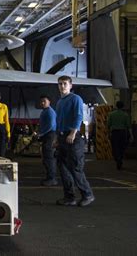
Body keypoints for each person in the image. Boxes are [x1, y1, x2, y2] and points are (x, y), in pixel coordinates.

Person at [55, 75, 95, 207]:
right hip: (62, 137)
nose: (62, 86)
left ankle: (87, 195)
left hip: (73, 137)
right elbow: (59, 121)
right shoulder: (60, 102)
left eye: (65, 83)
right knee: (63, 168)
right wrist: (57, 138)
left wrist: (73, 132)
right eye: (60, 84)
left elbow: (79, 116)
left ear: (71, 85)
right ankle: (69, 197)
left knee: (75, 168)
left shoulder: (75, 99)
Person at [37, 95, 57, 186]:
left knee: (49, 158)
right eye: (41, 101)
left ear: (49, 102)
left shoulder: (50, 112)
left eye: (44, 101)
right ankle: (49, 177)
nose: (42, 103)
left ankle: (52, 179)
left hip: (50, 135)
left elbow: (50, 125)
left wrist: (41, 134)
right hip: (46, 135)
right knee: (46, 158)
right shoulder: (44, 111)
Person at [107, 101, 133, 170]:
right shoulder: (125, 115)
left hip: (114, 133)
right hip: (123, 133)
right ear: (123, 106)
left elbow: (108, 125)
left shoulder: (111, 114)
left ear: (116, 106)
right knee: (122, 147)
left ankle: (117, 159)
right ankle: (120, 159)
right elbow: (129, 126)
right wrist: (131, 135)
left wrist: (108, 133)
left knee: (115, 147)